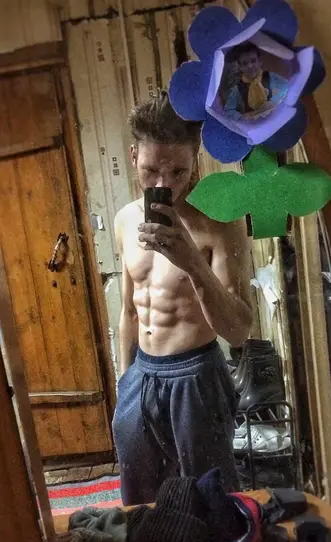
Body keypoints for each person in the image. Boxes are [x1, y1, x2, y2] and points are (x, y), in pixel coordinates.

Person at [113, 91, 253, 506]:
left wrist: (192, 261)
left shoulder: (221, 224)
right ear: (134, 156)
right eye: (151, 170)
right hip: (141, 374)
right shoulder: (125, 220)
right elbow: (128, 312)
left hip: (197, 375)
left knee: (209, 499)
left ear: (196, 162)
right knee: (141, 500)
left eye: (178, 171)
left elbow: (239, 330)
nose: (164, 185)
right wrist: (125, 384)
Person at [224, 42, 288, 120]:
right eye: (245, 63)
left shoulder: (271, 77)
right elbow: (228, 111)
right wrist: (243, 117)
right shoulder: (237, 89)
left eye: (253, 61)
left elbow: (287, 86)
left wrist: (273, 101)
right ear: (240, 67)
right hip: (255, 124)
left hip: (276, 117)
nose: (250, 66)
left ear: (259, 62)